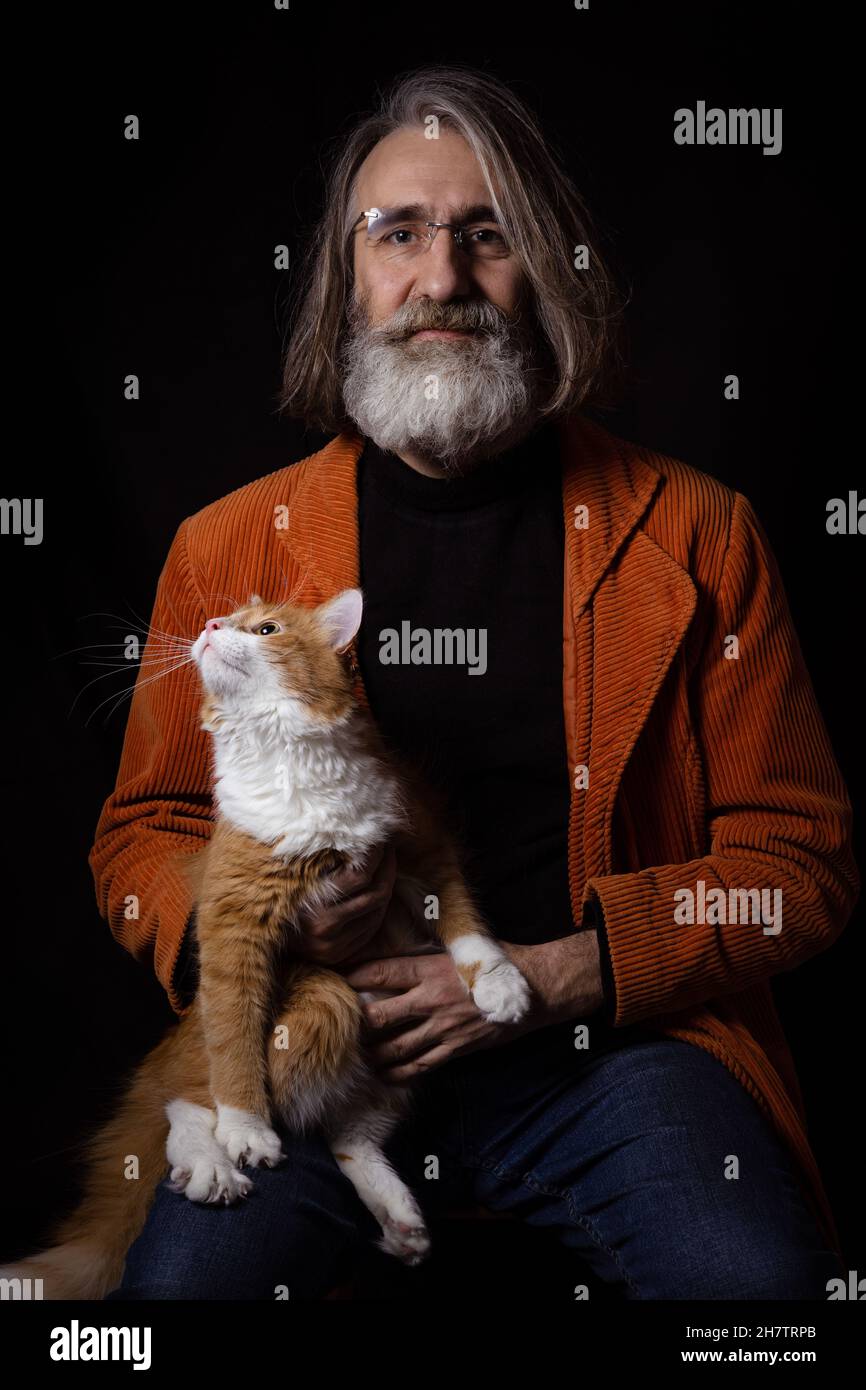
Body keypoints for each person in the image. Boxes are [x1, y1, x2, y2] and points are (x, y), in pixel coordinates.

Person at [94, 65, 858, 1300]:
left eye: (485, 234)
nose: (440, 281)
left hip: (608, 1055)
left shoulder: (700, 532)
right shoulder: (227, 547)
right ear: (346, 276)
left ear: (544, 267)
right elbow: (145, 832)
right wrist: (254, 921)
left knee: (758, 1293)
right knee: (174, 1297)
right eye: (397, 235)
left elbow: (799, 863)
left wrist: (563, 972)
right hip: (314, 1040)